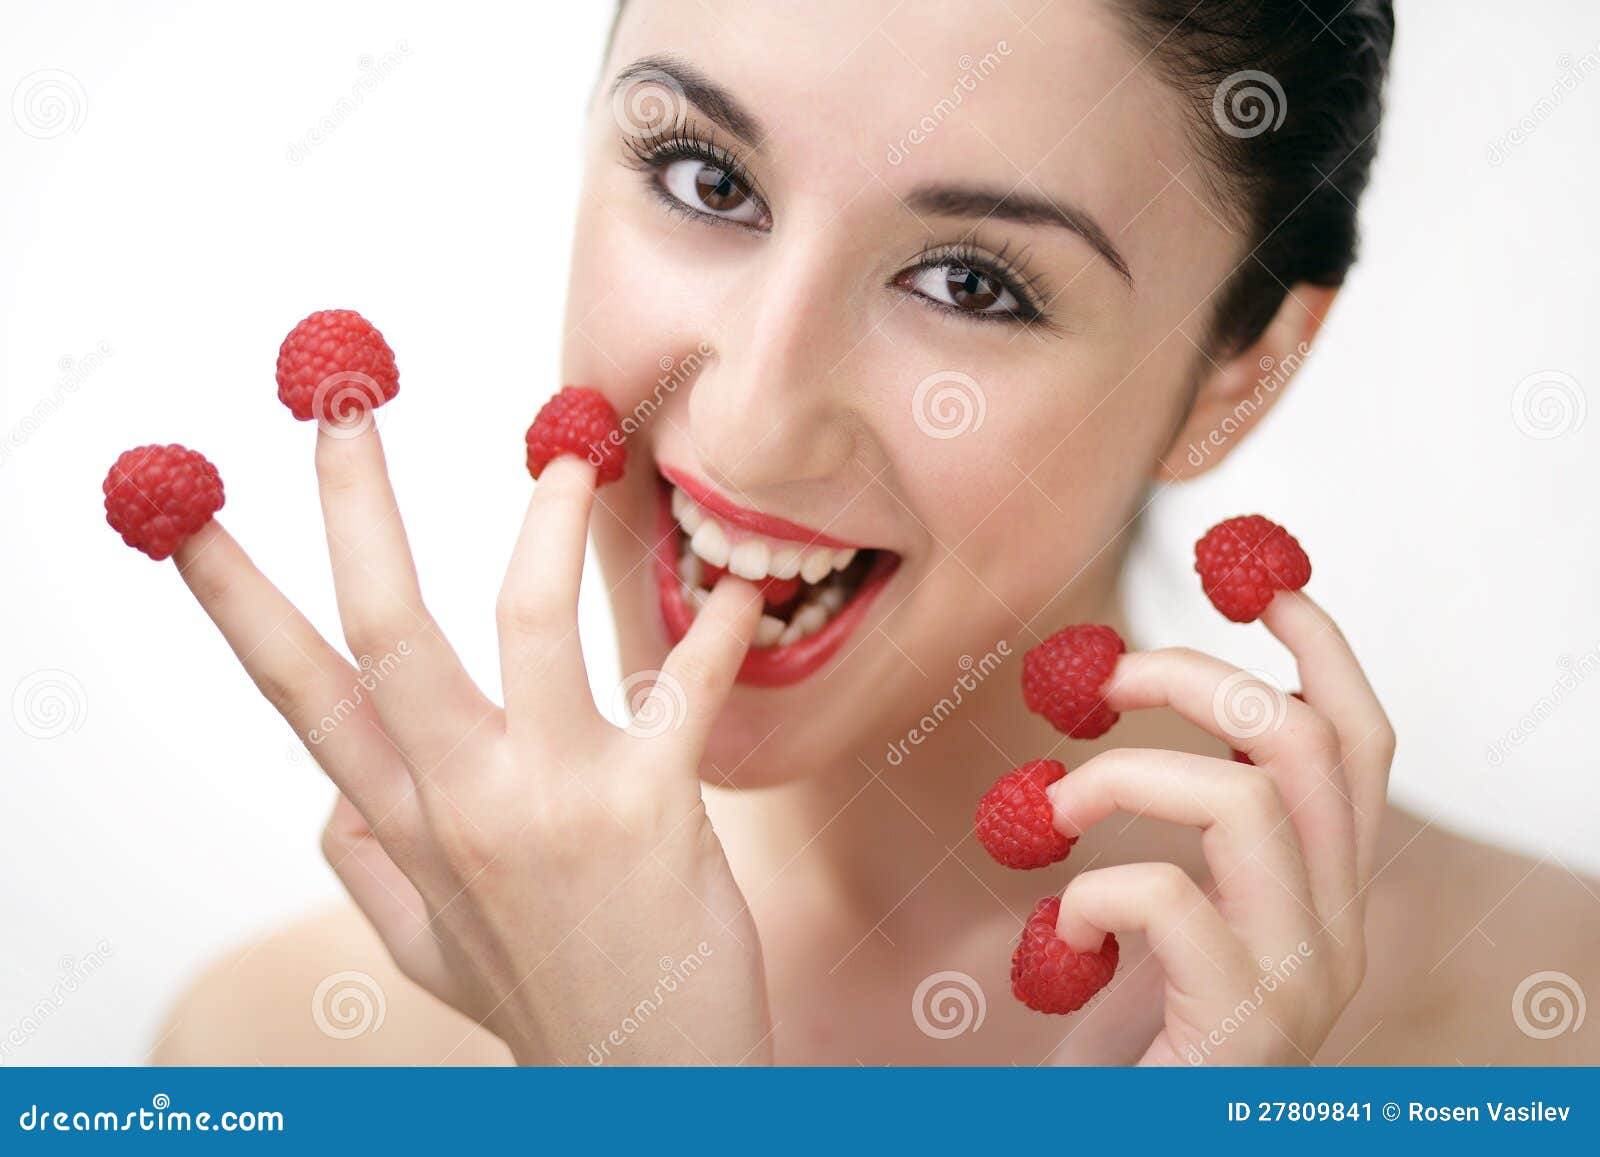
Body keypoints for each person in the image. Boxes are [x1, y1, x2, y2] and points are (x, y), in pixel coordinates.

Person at [152, 0, 1597, 1065]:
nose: (753, 422)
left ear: (1240, 373)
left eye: (971, 282)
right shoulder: (268, 1054)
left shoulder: (1552, 1021)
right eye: (706, 179)